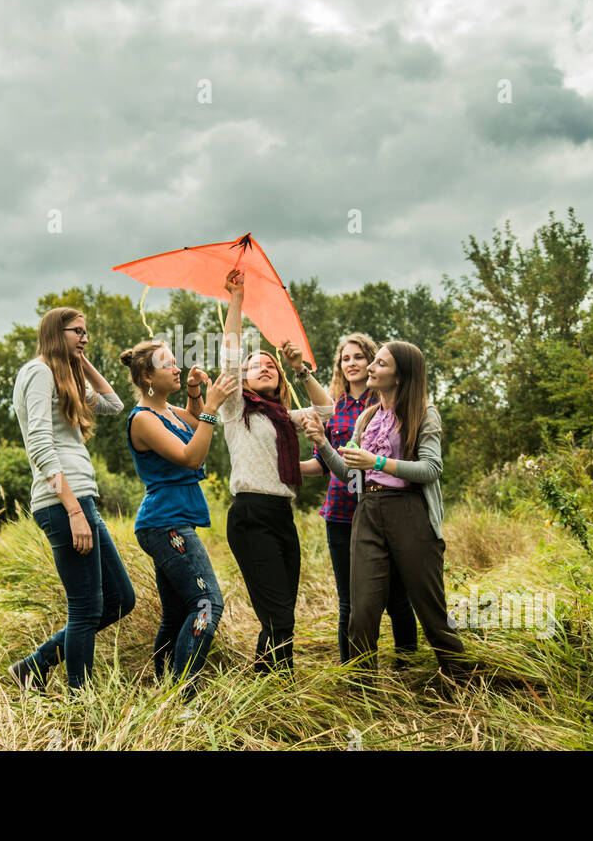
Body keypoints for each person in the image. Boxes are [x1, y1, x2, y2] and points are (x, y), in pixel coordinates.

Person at [303, 340, 466, 678]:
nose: (370, 368)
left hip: (409, 512)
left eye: (380, 363)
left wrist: (378, 461)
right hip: (368, 512)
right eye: (372, 362)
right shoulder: (366, 418)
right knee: (361, 610)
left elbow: (431, 469)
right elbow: (350, 474)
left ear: (401, 375)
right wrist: (323, 443)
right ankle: (363, 688)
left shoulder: (424, 413)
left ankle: (459, 679)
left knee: (429, 607)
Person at [8, 307, 136, 692]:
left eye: (86, 332)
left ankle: (34, 665)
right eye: (76, 331)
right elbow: (40, 445)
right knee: (85, 608)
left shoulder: (67, 379)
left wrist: (81, 361)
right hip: (63, 503)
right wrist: (74, 510)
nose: (84, 337)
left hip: (81, 500)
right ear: (54, 332)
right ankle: (81, 699)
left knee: (119, 599)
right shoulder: (38, 373)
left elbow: (114, 404)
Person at [218, 269, 334, 672]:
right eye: (255, 365)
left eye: (270, 364)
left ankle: (268, 683)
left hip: (282, 516)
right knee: (278, 614)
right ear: (244, 379)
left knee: (283, 613)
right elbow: (230, 353)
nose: (263, 366)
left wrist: (300, 368)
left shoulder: (284, 417)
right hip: (250, 515)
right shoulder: (235, 410)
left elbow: (327, 412)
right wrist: (237, 298)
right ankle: (274, 685)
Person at [121, 340, 237, 696]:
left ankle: (165, 692)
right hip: (165, 522)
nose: (177, 368)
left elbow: (194, 420)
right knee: (207, 605)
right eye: (168, 365)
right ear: (146, 376)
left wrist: (195, 394)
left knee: (176, 614)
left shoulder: (168, 411)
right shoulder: (143, 419)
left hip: (172, 519)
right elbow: (191, 457)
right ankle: (183, 694)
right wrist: (213, 407)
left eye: (177, 363)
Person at [298, 333, 418, 667]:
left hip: (383, 510)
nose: (351, 364)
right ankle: (353, 669)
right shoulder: (331, 408)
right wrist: (281, 468)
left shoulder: (384, 402)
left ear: (372, 361)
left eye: (358, 357)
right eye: (345, 359)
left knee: (395, 597)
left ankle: (406, 665)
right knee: (349, 601)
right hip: (340, 513)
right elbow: (321, 464)